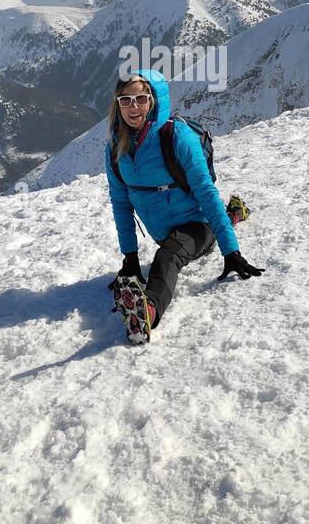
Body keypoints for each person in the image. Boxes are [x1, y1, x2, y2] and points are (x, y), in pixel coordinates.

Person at [105, 69, 263, 343]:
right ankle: (235, 212)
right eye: (126, 100)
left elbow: (205, 193)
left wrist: (231, 251)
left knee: (167, 256)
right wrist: (129, 259)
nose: (134, 107)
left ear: (153, 100)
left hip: (197, 223)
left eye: (141, 99)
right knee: (171, 246)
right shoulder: (116, 149)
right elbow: (121, 205)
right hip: (165, 231)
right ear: (117, 104)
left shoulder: (176, 136)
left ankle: (148, 311)